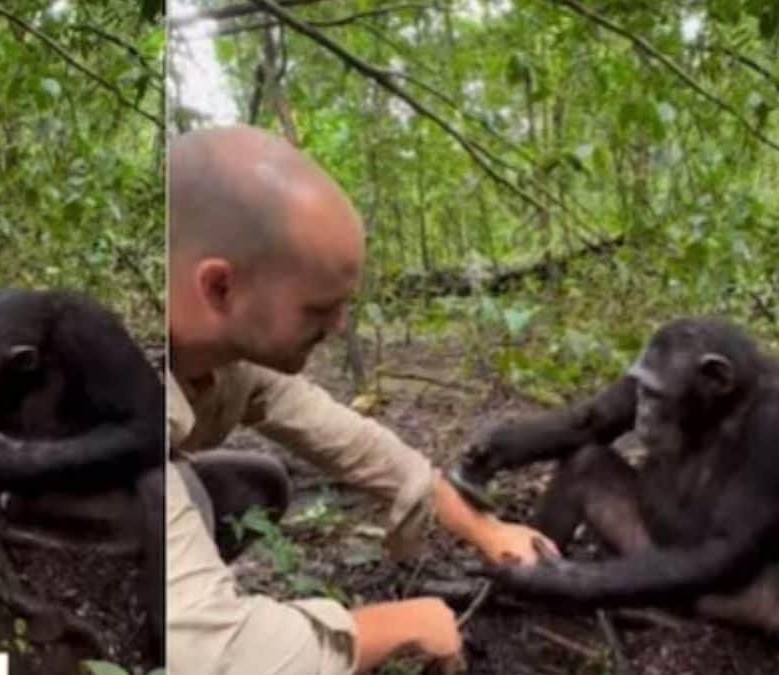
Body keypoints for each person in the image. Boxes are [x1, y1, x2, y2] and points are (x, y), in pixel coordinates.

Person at [166, 125, 557, 674]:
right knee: (185, 496)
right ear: (219, 288)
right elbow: (218, 659)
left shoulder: (225, 355)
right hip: (25, 597)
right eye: (318, 308)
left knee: (251, 483)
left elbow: (353, 442)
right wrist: (383, 628)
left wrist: (486, 531)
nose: (339, 325)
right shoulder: (114, 386)